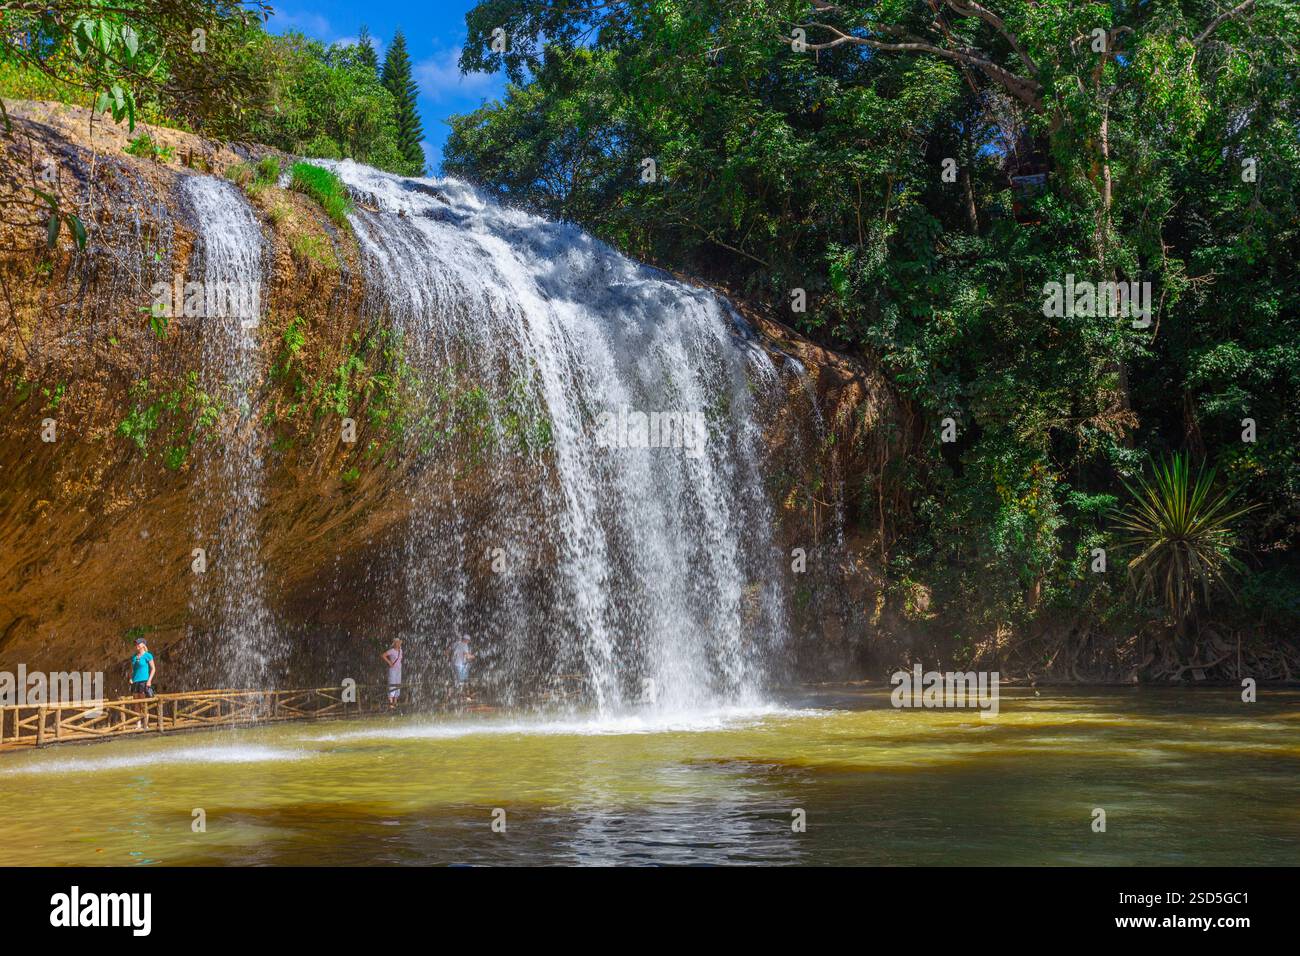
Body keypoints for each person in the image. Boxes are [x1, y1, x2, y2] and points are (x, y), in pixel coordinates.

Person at [130, 637, 155, 730]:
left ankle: (146, 724)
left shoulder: (148, 655)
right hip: (135, 682)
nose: (136, 645)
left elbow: (153, 668)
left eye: (138, 644)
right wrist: (131, 678)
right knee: (136, 703)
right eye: (136, 644)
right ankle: (138, 724)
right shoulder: (134, 657)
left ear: (143, 645)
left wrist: (149, 680)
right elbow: (133, 670)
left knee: (143, 703)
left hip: (144, 681)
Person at [381, 638, 403, 709]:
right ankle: (391, 703)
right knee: (392, 684)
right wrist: (389, 662)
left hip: (399, 670)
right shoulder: (392, 651)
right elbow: (383, 655)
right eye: (397, 643)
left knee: (398, 684)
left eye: (399, 642)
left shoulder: (401, 651)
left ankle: (395, 702)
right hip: (393, 670)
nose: (398, 644)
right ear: (394, 643)